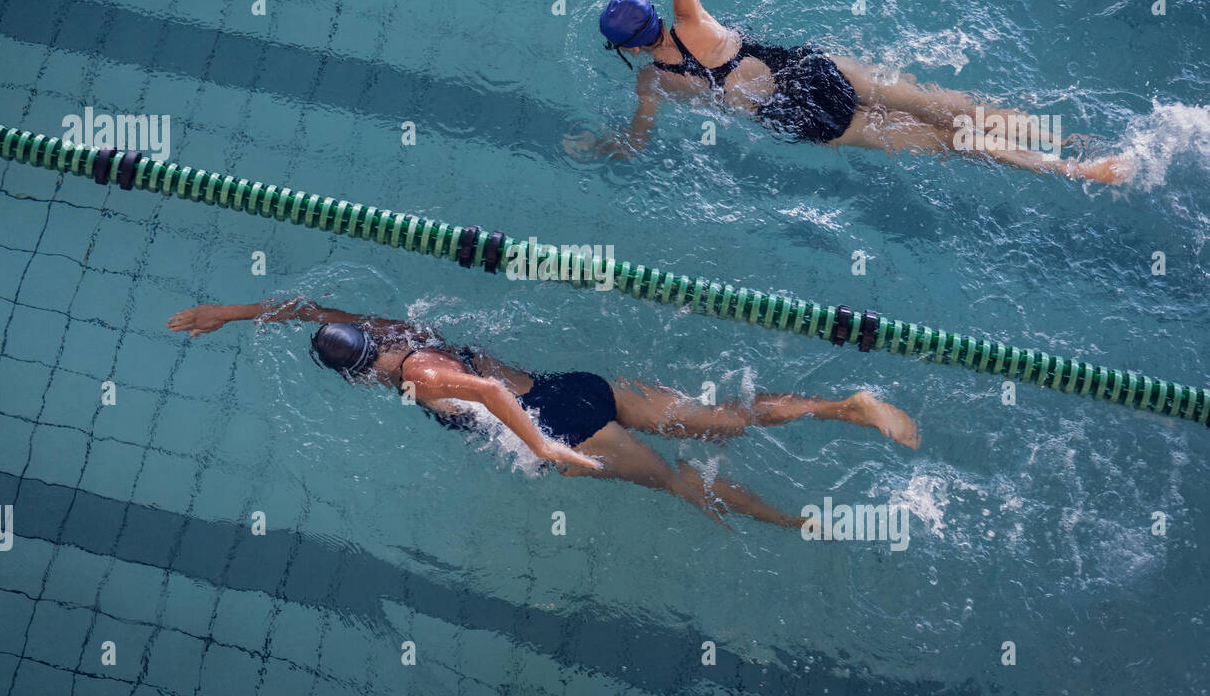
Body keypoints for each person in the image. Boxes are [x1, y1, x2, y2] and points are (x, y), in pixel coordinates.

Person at [168, 297, 919, 531]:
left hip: (566, 426)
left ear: (360, 373)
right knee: (723, 420)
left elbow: (492, 398)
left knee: (680, 483)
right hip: (577, 387)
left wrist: (546, 451)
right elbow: (309, 308)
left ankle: (798, 524)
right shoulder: (396, 334)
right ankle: (841, 407)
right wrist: (232, 313)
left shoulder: (422, 377)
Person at [556, 0, 1134, 183]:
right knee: (937, 100)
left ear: (625, 49)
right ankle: (1060, 135)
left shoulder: (653, 81)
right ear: (655, 14)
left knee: (945, 141)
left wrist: (602, 149)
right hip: (808, 70)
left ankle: (1077, 170)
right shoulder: (690, 15)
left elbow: (635, 147)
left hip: (799, 116)